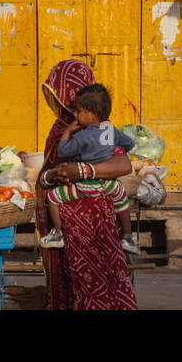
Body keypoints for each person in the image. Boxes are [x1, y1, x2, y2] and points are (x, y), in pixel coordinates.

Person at [36, 60, 138, 310]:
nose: (61, 106)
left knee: (98, 277)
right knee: (69, 282)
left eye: (63, 98)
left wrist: (82, 170)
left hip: (96, 218)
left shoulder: (100, 129)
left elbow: (123, 164)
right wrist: (52, 177)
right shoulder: (61, 129)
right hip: (65, 214)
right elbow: (45, 174)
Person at [39, 83, 139, 255]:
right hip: (108, 186)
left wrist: (68, 132)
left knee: (53, 198)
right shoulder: (111, 129)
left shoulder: (82, 136)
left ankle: (57, 234)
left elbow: (63, 151)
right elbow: (129, 144)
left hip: (84, 186)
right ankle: (128, 236)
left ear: (92, 114)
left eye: (79, 111)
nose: (75, 115)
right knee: (122, 199)